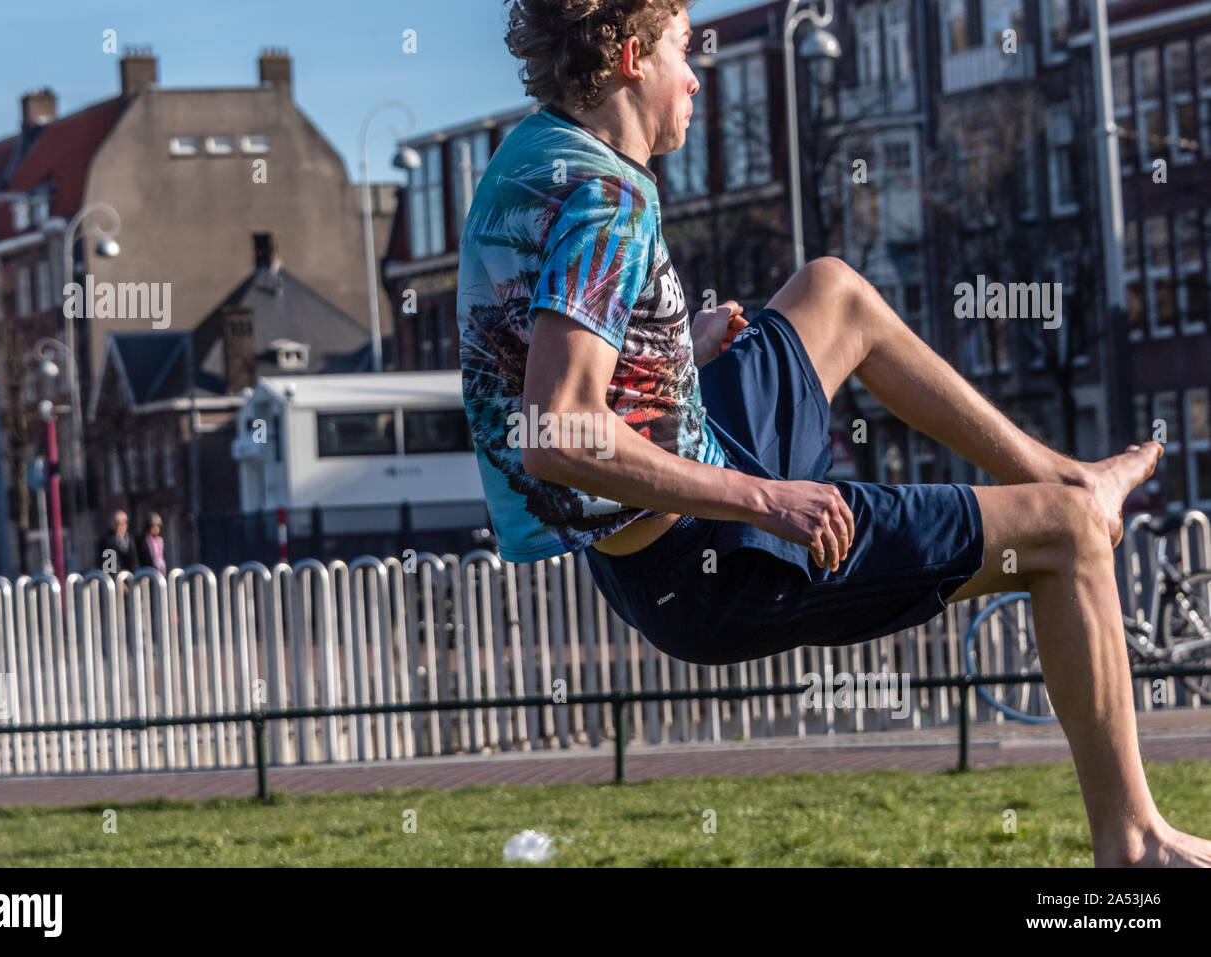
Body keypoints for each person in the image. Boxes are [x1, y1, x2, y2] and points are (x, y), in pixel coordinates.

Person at [455, 0, 1211, 867]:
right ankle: (1136, 843)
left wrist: (672, 353)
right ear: (631, 57)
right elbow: (556, 431)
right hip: (707, 565)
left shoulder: (532, 157)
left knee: (833, 291)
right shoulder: (606, 199)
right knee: (1069, 541)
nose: (695, 76)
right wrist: (767, 496)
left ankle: (1070, 476)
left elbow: (530, 364)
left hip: (656, 518)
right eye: (681, 52)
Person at [97, 509, 139, 575]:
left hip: (131, 577)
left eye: (123, 523)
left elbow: (135, 561)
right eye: (116, 523)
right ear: (111, 524)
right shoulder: (107, 541)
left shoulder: (130, 539)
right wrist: (119, 579)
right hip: (116, 579)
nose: (120, 527)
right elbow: (109, 567)